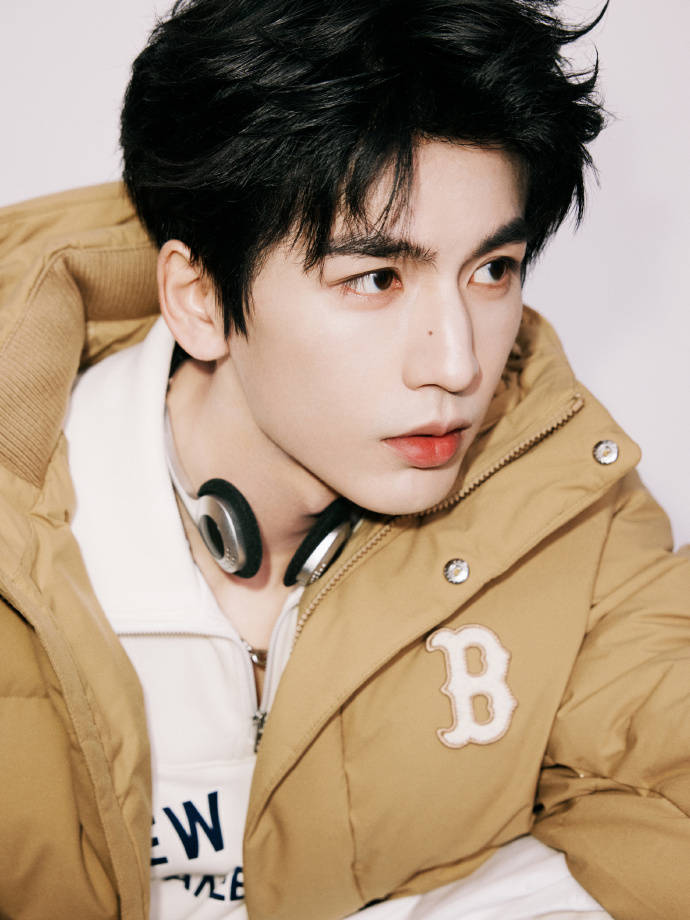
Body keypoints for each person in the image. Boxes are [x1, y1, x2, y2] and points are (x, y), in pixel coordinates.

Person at [0, 0, 687, 918]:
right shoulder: (27, 537)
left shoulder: (568, 503)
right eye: (376, 279)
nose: (457, 364)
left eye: (492, 270)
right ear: (199, 300)